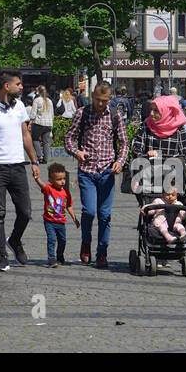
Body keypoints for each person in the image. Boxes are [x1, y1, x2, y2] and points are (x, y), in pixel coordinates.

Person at [0, 69, 40, 272]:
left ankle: (15, 240)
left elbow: (26, 136)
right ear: (7, 86)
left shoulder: (20, 106)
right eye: (18, 84)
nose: (21, 87)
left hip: (18, 166)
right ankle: (2, 256)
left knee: (25, 212)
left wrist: (35, 161)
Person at [64, 82, 129, 269]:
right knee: (90, 211)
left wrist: (120, 161)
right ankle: (86, 243)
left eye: (104, 101)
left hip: (107, 171)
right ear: (92, 96)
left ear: (110, 99)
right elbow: (68, 138)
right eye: (97, 100)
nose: (100, 104)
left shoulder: (115, 115)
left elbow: (124, 143)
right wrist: (77, 152)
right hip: (87, 171)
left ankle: (102, 252)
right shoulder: (82, 113)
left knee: (104, 214)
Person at [33, 161, 79, 266]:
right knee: (52, 239)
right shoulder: (49, 189)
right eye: (59, 179)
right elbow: (42, 185)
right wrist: (37, 178)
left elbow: (69, 206)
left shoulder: (66, 193)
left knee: (62, 241)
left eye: (64, 179)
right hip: (49, 221)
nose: (62, 181)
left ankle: (60, 256)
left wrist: (74, 218)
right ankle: (51, 259)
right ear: (51, 180)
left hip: (61, 222)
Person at [29, 86, 55, 164]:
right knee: (46, 142)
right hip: (48, 123)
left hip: (39, 123)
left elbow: (33, 113)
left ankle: (39, 156)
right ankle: (46, 159)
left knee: (35, 139)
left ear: (38, 92)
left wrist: (30, 121)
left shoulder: (37, 100)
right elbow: (52, 114)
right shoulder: (49, 101)